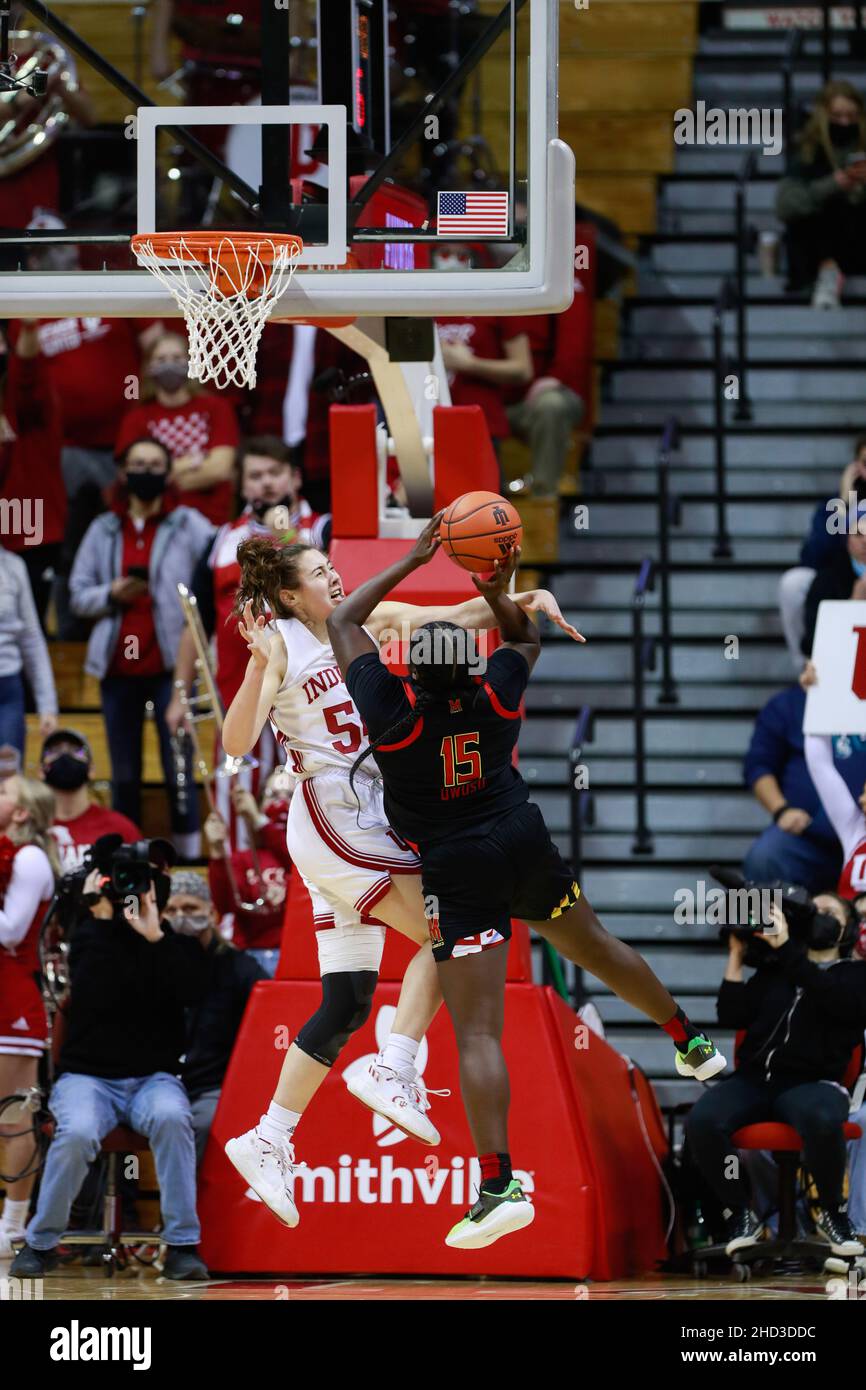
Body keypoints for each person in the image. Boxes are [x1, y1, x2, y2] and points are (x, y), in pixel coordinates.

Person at [327, 520, 727, 1250]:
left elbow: (342, 618)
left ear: (410, 676)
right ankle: (690, 1039)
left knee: (478, 1030)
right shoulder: (498, 696)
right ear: (472, 671)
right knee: (597, 946)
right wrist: (493, 587)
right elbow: (525, 640)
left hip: (459, 867)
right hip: (521, 840)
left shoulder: (390, 718)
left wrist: (411, 559)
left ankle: (499, 1185)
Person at [219, 533, 582, 1228]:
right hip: (335, 817)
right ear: (289, 594)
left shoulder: (366, 620)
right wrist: (258, 670)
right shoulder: (283, 644)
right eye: (319, 574)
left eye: (333, 569)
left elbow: (457, 622)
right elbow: (237, 745)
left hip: (357, 821)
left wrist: (520, 598)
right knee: (453, 928)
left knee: (348, 1001)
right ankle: (394, 1065)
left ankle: (268, 1137)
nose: (333, 578)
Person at [10, 836, 209, 1280]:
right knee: (78, 1130)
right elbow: (97, 995)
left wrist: (155, 935)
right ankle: (40, 1243)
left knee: (174, 1118)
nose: (132, 891)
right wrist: (100, 917)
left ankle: (181, 1246)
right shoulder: (89, 937)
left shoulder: (173, 942)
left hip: (154, 1077)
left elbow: (193, 992)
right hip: (88, 1078)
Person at [686, 893, 866, 1259]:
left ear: (846, 928)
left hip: (813, 1083)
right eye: (814, 908)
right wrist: (736, 955)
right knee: (703, 1121)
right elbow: (731, 1013)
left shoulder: (856, 975)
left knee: (819, 1117)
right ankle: (740, 1212)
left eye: (829, 911)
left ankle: (834, 1213)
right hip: (754, 1080)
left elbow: (830, 996)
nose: (818, 914)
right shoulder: (777, 967)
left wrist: (788, 950)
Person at [68, 437, 215, 856]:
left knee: (179, 767)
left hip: (173, 666)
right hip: (118, 669)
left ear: (168, 474)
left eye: (154, 464)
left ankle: (188, 860)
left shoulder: (189, 523)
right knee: (125, 771)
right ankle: (128, 857)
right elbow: (77, 595)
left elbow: (219, 567)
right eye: (137, 463)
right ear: (122, 472)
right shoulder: (103, 528)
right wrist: (112, 594)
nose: (145, 472)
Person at [163, 871, 268, 1166]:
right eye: (171, 910)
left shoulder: (240, 967)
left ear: (212, 912)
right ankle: (126, 1208)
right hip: (161, 1083)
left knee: (203, 1124)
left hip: (214, 1085)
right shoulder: (155, 964)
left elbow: (268, 1024)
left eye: (190, 908)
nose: (181, 917)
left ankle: (189, 1209)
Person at [0, 775, 58, 1259]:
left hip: (13, 997)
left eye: (4, 795)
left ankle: (14, 1224)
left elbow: (11, 929)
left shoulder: (31, 857)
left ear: (22, 813)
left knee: (13, 1115)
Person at [742, 683, 866, 892]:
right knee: (765, 857)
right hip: (810, 836)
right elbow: (759, 766)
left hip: (860, 835)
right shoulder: (790, 704)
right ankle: (762, 924)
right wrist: (782, 810)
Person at [115, 332, 239, 526]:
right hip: (159, 523)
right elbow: (133, 479)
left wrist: (162, 475)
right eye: (161, 359)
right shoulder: (136, 418)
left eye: (177, 358)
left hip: (213, 521)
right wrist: (192, 462)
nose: (169, 365)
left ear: (191, 363)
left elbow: (220, 469)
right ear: (148, 367)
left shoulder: (217, 407)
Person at [776, 80, 866, 307]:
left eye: (852, 116)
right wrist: (834, 184)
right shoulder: (807, 151)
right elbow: (785, 205)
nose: (845, 123)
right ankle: (828, 273)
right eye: (837, 116)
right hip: (820, 244)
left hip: (859, 239)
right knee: (818, 210)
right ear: (823, 115)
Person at [0, 319, 65, 624]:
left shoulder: (28, 401)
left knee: (27, 632)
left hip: (29, 534)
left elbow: (27, 375)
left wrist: (27, 327)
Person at [204, 769, 292, 977]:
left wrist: (259, 821)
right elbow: (224, 904)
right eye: (273, 795)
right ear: (259, 802)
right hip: (249, 955)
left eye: (290, 795)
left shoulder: (307, 855)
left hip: (292, 955)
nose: (281, 803)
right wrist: (217, 850)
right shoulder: (243, 858)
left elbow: (294, 860)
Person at [40, 728, 141, 874]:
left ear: (91, 769)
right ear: (40, 770)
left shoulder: (120, 829)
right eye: (54, 751)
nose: (65, 755)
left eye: (77, 751)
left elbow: (136, 893)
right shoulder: (29, 828)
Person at [0, 544, 57, 761]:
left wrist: (47, 705)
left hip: (6, 692)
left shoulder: (13, 566)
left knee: (10, 782)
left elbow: (32, 638)